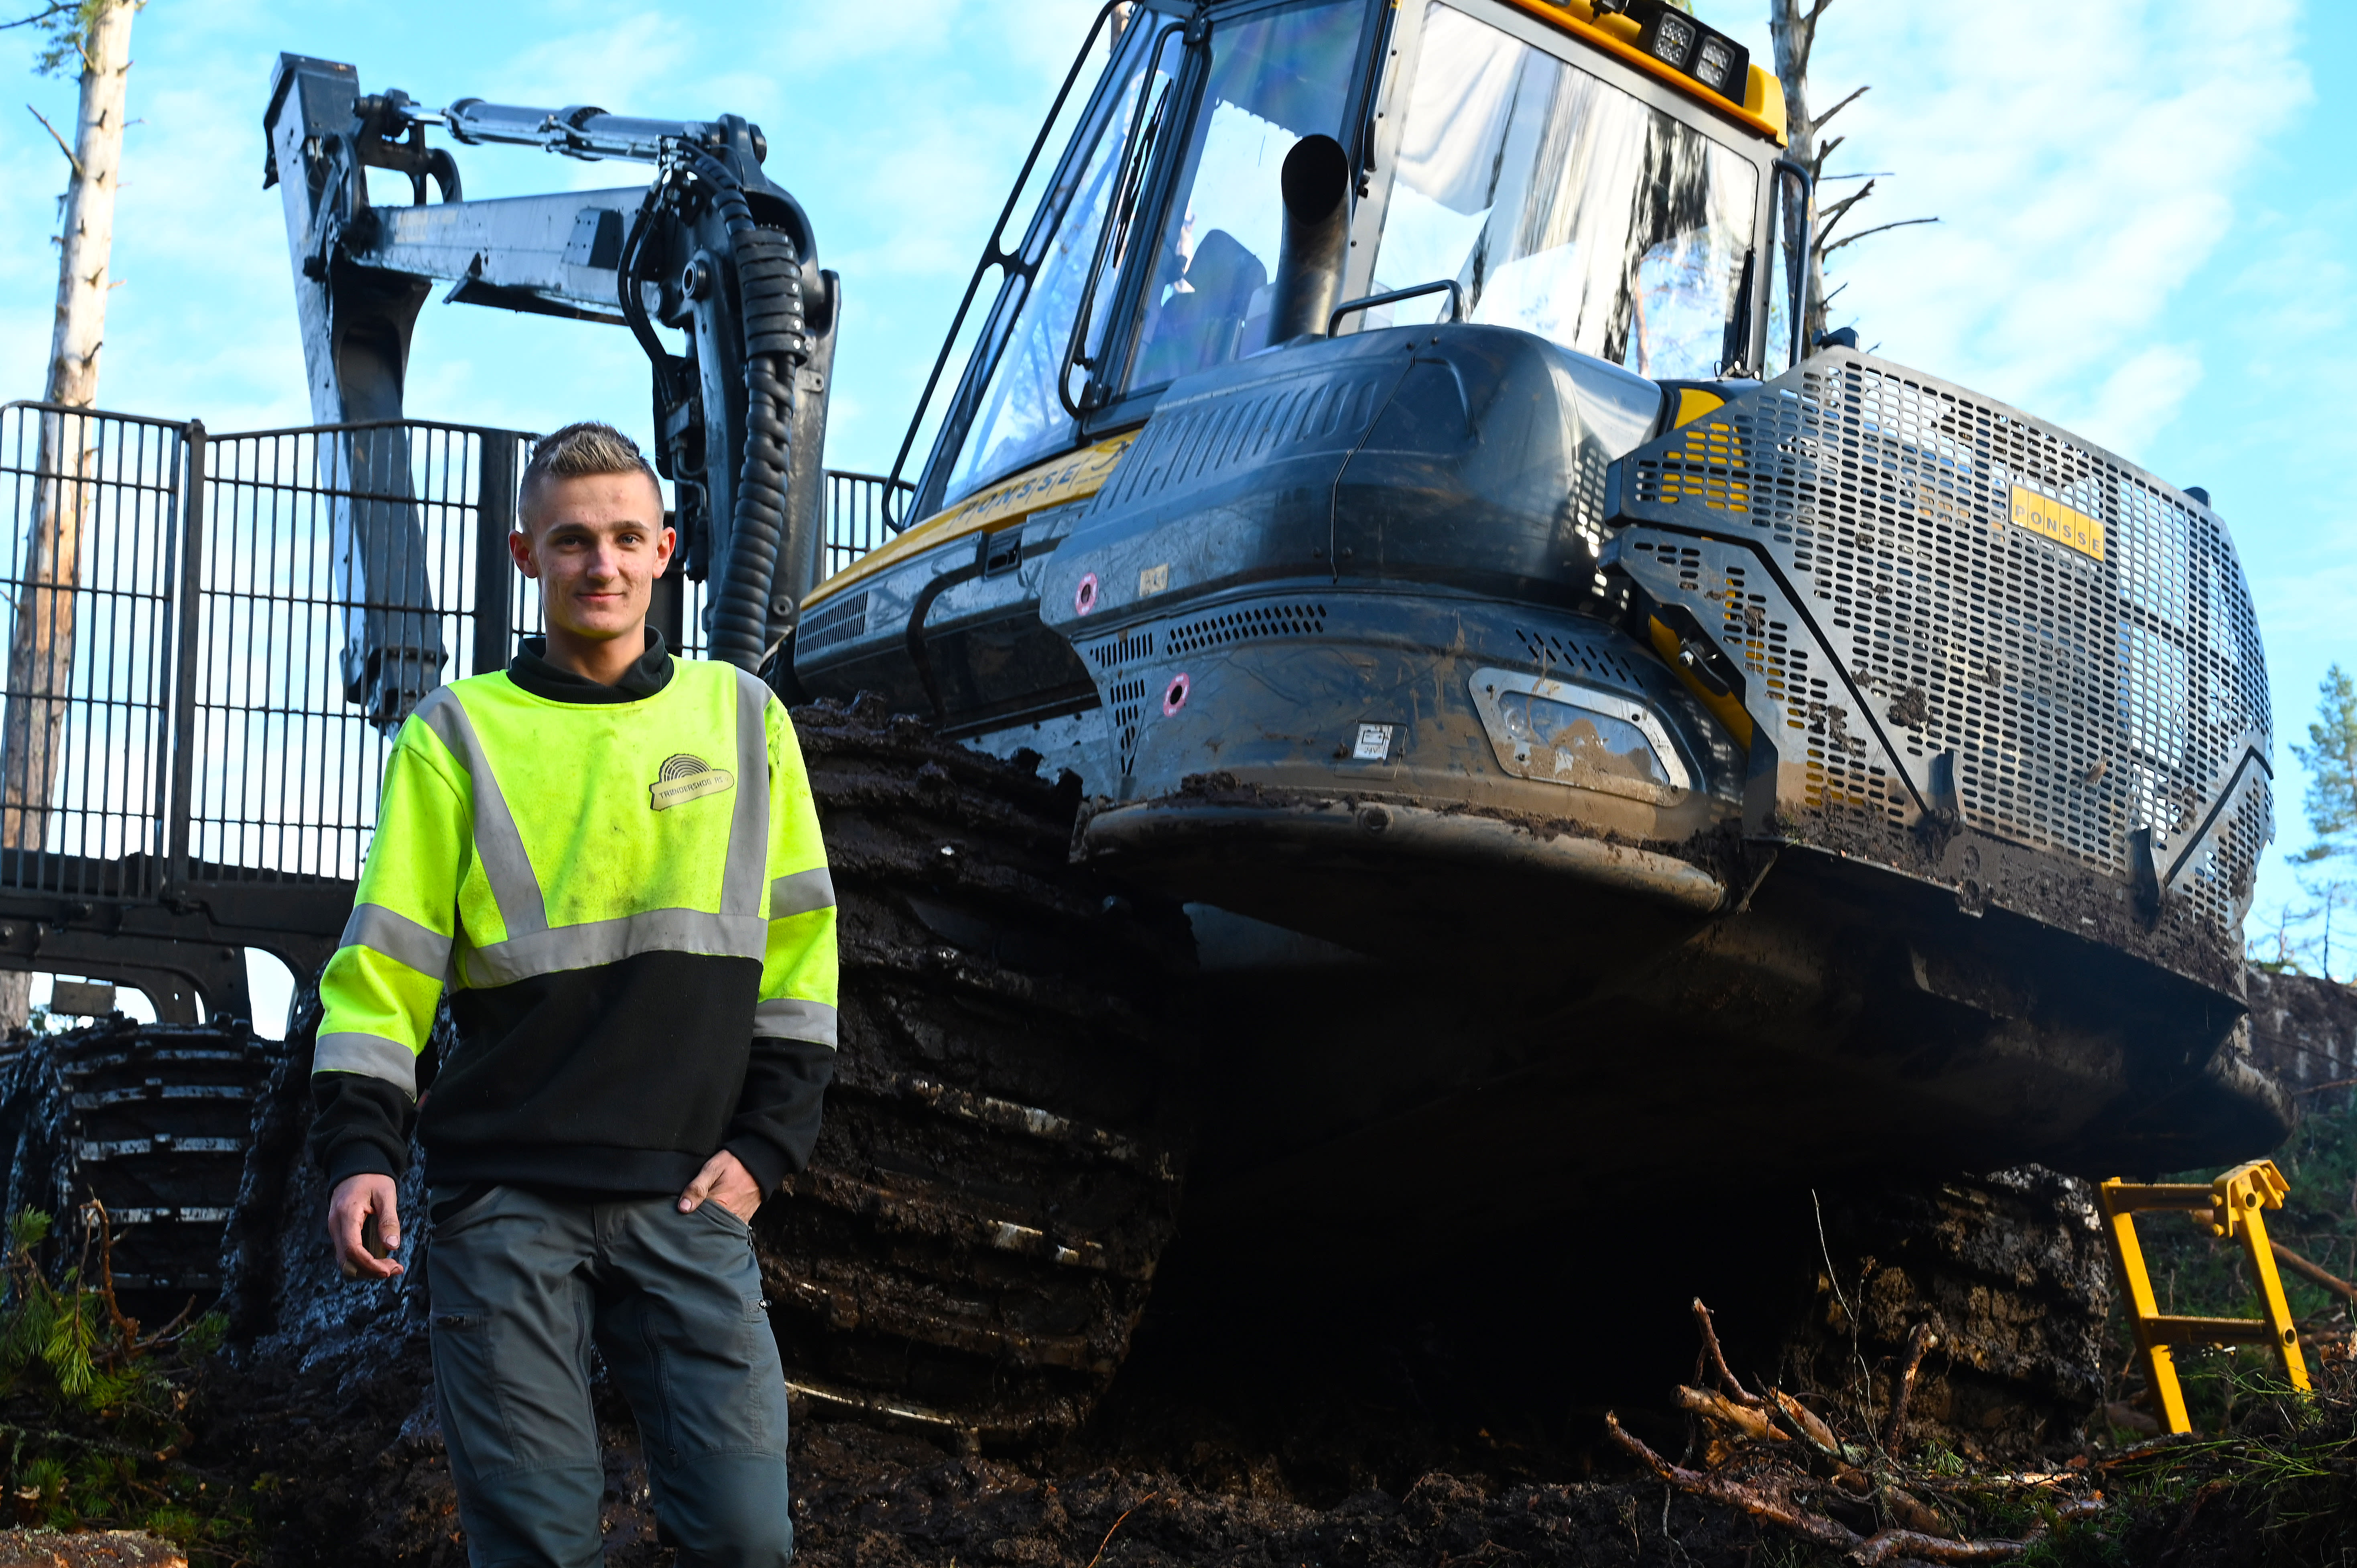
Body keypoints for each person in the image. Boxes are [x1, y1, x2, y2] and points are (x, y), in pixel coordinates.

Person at [310, 422, 837, 1568]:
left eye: (622, 538)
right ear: (524, 555)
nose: (599, 563)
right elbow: (384, 967)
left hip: (692, 1197)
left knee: (746, 1538)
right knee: (540, 1548)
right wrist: (359, 1147)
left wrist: (767, 1147)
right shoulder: (456, 736)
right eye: (571, 541)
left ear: (667, 550)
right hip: (507, 1201)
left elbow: (802, 960)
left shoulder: (746, 724)